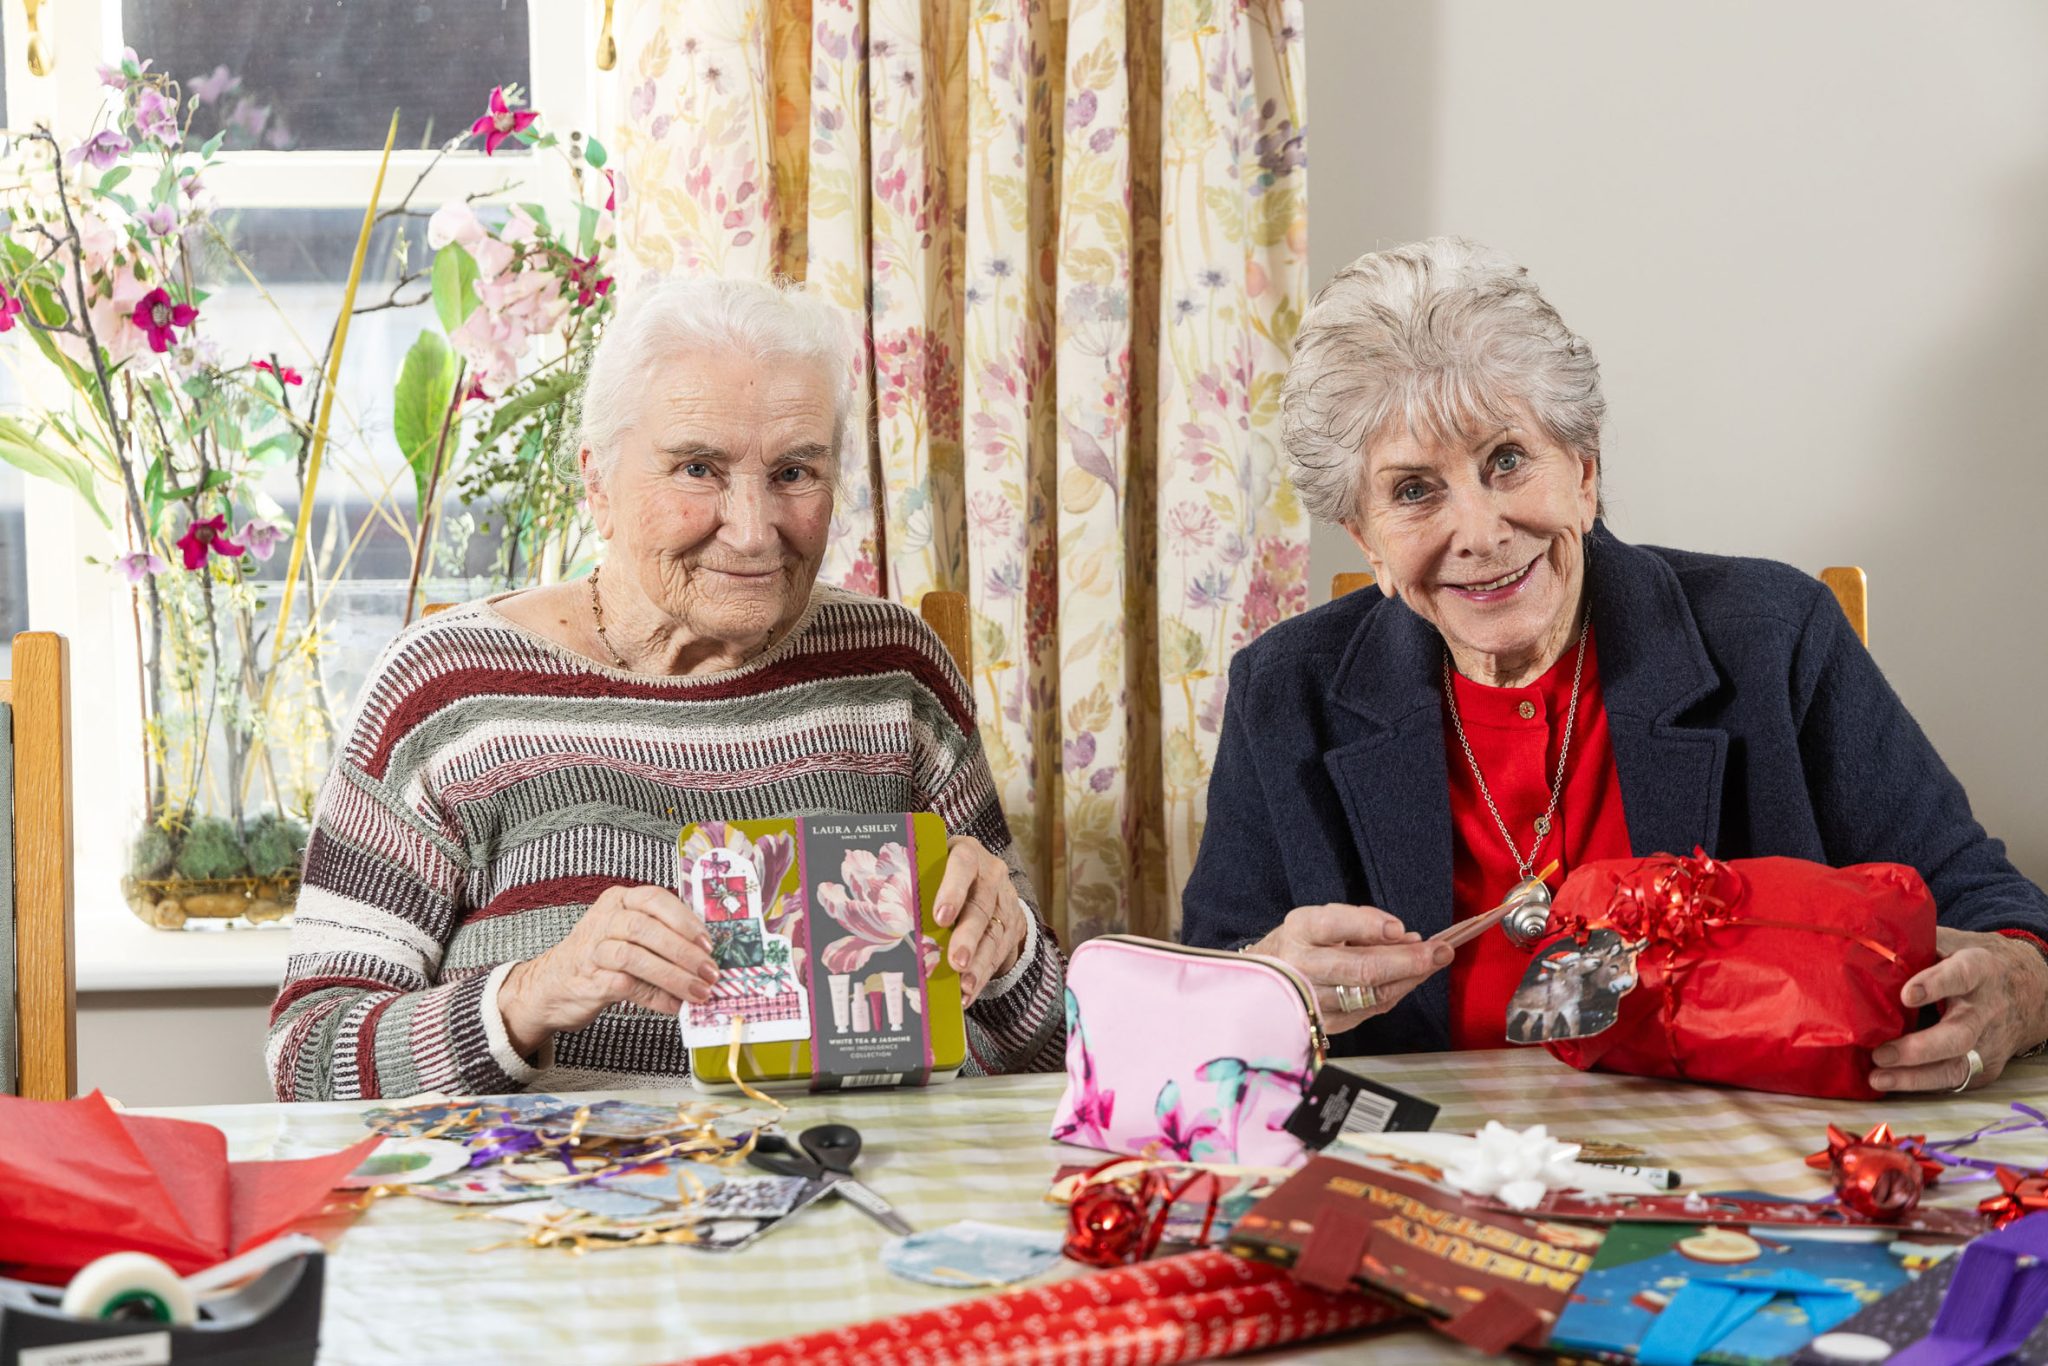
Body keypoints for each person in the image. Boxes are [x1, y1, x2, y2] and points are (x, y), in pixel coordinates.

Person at [1180, 237, 2048, 1092]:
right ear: (1366, 539)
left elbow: (1998, 913)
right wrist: (1265, 983)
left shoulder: (1774, 638)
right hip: (1420, 1179)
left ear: (1585, 472)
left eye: (1507, 460)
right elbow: (1198, 998)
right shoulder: (1284, 692)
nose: (1480, 533)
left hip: (1734, 1169)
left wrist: (2017, 988)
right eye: (1413, 490)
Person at [268, 278, 1064, 1100]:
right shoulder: (447, 689)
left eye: (795, 472)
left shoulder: (896, 672)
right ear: (598, 486)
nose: (754, 531)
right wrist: (531, 996)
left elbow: (1052, 1053)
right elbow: (309, 1061)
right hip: (563, 1208)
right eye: (697, 468)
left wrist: (1009, 959)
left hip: (856, 1186)